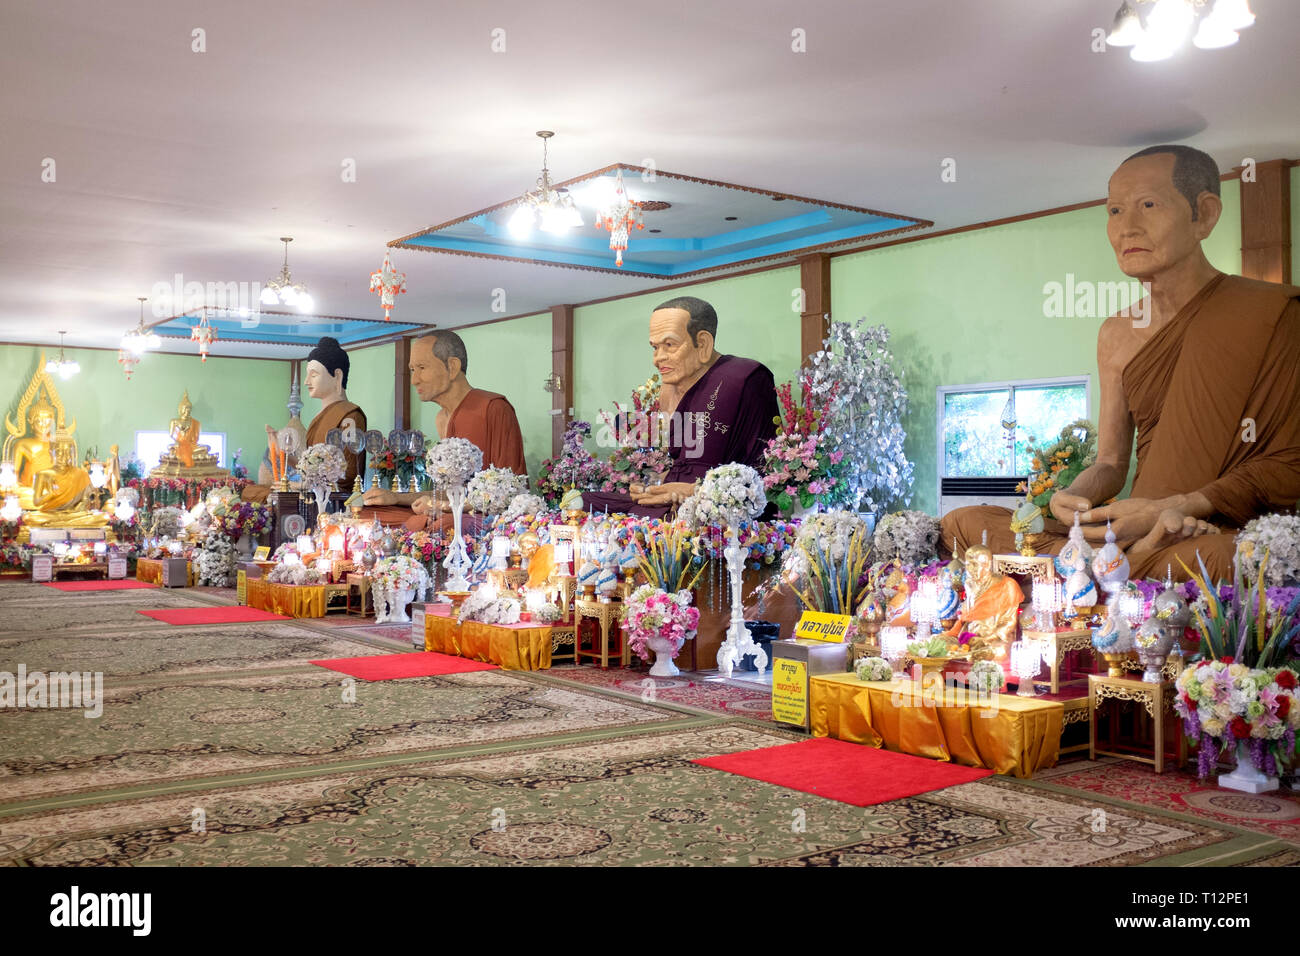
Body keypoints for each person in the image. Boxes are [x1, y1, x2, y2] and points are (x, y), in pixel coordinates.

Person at [942, 145, 1300, 582]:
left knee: (1240, 557)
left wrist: (1177, 507)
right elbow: (1111, 463)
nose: (1127, 227)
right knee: (965, 521)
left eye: (1149, 205)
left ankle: (1115, 567)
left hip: (1207, 527)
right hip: (1130, 529)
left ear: (1203, 215)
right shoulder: (1117, 332)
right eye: (1114, 211)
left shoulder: (1273, 313)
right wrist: (1069, 495)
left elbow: (1288, 464)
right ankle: (1124, 563)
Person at [583, 296, 780, 519]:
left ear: (703, 344)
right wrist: (652, 485)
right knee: (584, 502)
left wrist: (692, 491)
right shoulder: (670, 388)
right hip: (671, 494)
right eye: (655, 347)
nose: (657, 359)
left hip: (716, 506)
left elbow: (763, 475)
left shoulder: (745, 379)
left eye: (669, 345)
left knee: (658, 524)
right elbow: (684, 464)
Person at [361, 331, 526, 527]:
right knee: (369, 514)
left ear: (452, 367)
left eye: (422, 368)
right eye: (413, 370)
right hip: (448, 510)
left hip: (483, 516)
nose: (414, 380)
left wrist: (442, 506)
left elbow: (509, 492)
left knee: (440, 526)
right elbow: (447, 492)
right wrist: (396, 497)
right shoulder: (441, 418)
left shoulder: (494, 408)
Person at [243, 337, 367, 502]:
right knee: (249, 492)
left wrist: (302, 486)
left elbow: (348, 476)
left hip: (334, 499)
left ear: (337, 376)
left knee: (271, 497)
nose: (307, 381)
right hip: (311, 491)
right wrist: (280, 451)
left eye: (313, 375)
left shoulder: (350, 416)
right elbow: (308, 467)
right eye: (307, 375)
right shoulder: (319, 418)